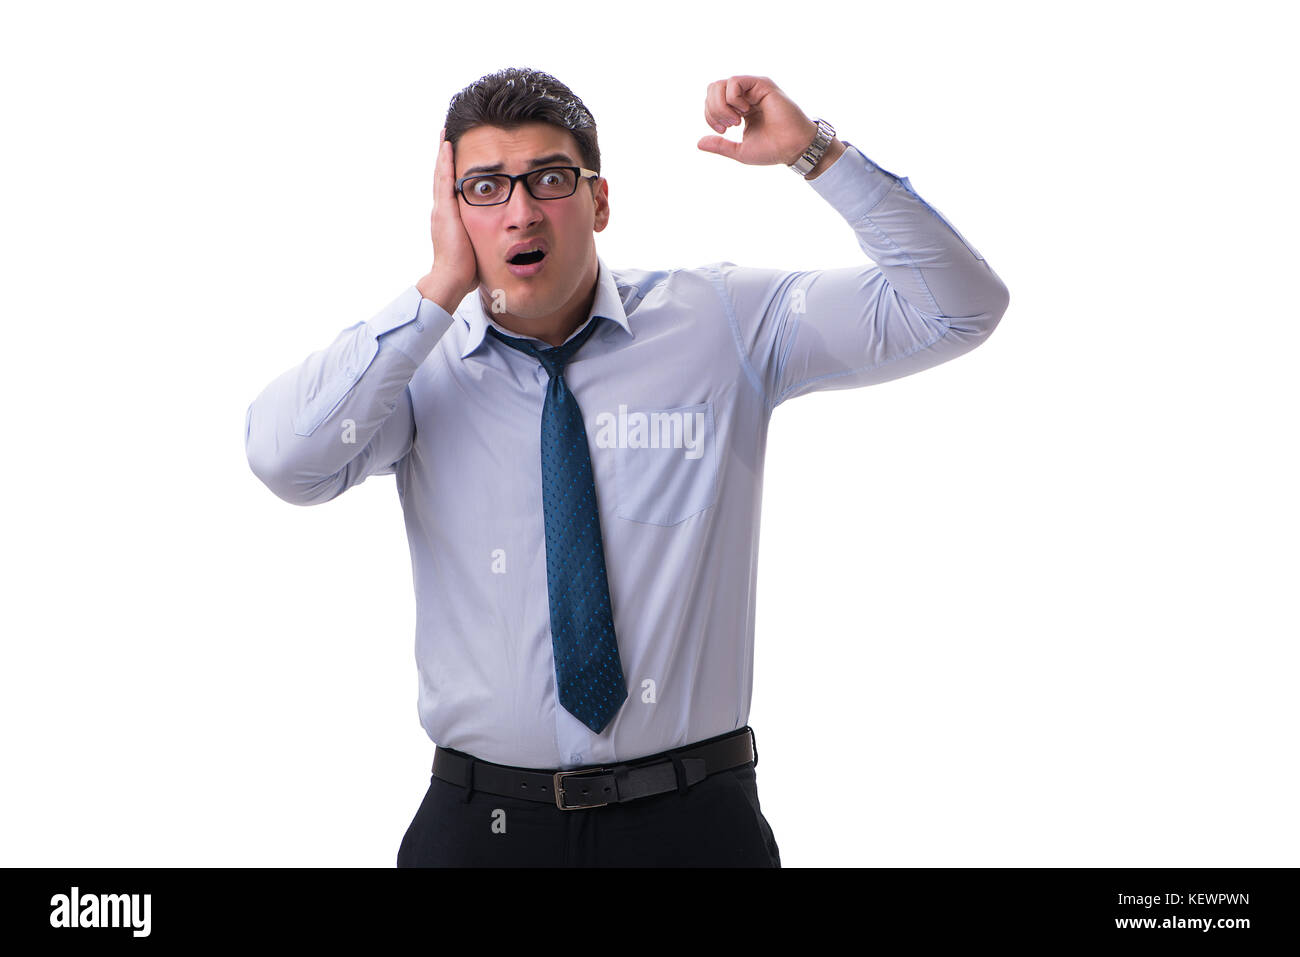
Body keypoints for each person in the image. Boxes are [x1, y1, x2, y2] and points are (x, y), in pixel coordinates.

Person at [244, 67, 1009, 867]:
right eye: (484, 188)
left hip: (693, 824)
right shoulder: (412, 366)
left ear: (599, 201)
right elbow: (283, 459)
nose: (521, 211)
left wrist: (816, 154)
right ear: (451, 213)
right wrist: (439, 287)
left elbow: (959, 307)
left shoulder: (723, 325)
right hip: (483, 830)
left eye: (548, 178)